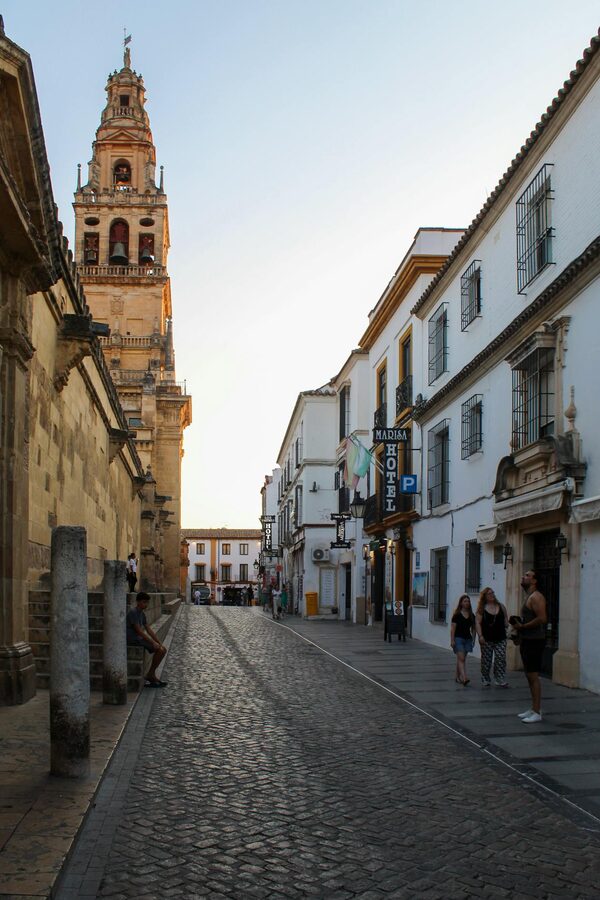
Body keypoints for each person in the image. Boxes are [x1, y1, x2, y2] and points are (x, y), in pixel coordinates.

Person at [512, 570, 547, 723]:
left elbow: (542, 618)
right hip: (527, 639)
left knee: (533, 676)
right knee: (528, 675)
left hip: (534, 640)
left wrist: (523, 626)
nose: (523, 576)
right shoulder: (529, 597)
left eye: (527, 575)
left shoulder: (536, 597)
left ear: (534, 581)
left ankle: (537, 711)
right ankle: (533, 708)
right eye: (523, 574)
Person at [126, 591, 167, 688]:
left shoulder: (142, 614)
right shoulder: (133, 612)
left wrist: (158, 642)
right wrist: (153, 642)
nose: (146, 604)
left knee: (163, 649)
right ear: (138, 602)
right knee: (160, 651)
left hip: (139, 638)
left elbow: (148, 629)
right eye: (144, 602)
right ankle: (151, 674)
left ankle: (151, 674)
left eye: (147, 602)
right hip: (133, 639)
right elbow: (139, 631)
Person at [476, 587, 509, 688]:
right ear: (485, 596)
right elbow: (477, 622)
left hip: (501, 637)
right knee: (486, 660)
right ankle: (485, 677)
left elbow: (505, 619)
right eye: (489, 594)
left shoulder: (501, 606)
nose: (492, 595)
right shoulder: (482, 609)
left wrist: (507, 626)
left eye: (493, 593)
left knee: (500, 657)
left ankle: (499, 678)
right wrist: (480, 636)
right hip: (487, 638)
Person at [451, 595, 476, 685]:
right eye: (465, 601)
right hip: (458, 638)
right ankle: (464, 677)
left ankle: (457, 677)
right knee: (461, 658)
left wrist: (473, 638)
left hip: (467, 639)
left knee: (461, 659)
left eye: (468, 601)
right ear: (461, 603)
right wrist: (452, 640)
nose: (467, 603)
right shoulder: (457, 615)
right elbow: (453, 628)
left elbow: (474, 628)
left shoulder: (472, 615)